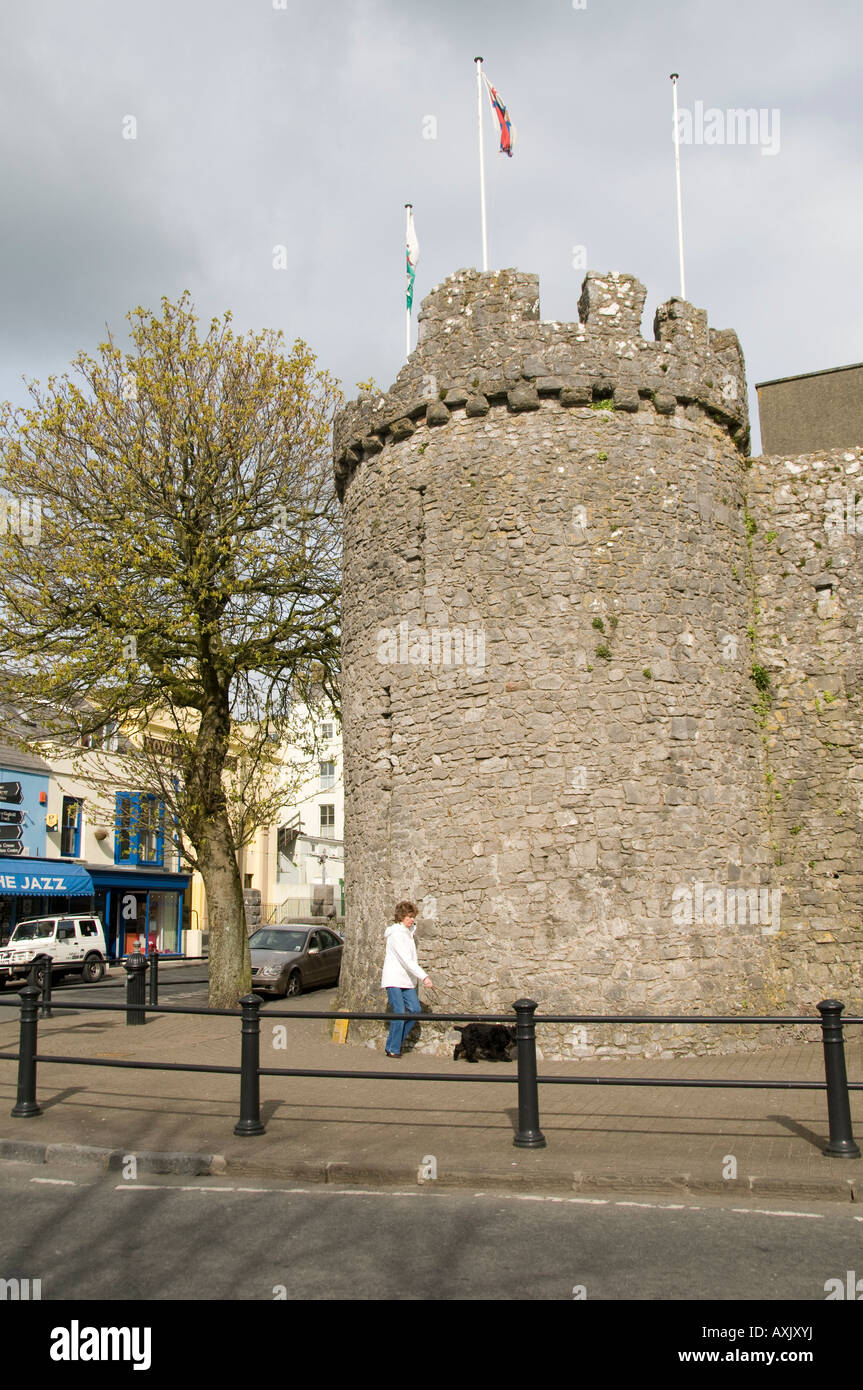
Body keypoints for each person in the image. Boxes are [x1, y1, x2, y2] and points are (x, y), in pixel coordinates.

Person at [381, 900, 433, 1057]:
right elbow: (406, 960)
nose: (412, 920)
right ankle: (394, 1049)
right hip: (394, 979)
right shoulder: (396, 934)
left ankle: (393, 1043)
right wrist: (424, 977)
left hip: (407, 980)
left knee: (415, 1010)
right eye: (409, 917)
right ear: (401, 916)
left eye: (413, 917)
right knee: (399, 1012)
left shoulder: (408, 933)